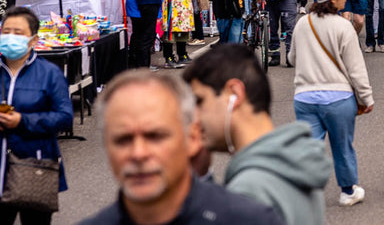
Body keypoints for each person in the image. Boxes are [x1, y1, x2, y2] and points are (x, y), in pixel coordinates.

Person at [83, 70, 282, 225]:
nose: (139, 153)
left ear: (193, 138)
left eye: (155, 137)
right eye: (123, 140)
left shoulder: (251, 220)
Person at [183, 44, 332, 223]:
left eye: (200, 101)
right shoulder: (294, 160)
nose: (195, 118)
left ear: (235, 94)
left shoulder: (250, 189)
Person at [288, 0, 375, 207]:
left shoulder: (302, 23)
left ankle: (303, 191)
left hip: (304, 96)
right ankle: (348, 191)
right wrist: (366, 98)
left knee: (310, 147)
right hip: (338, 97)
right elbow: (356, 68)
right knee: (342, 146)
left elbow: (292, 57)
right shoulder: (343, 26)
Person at [0, 8, 73, 225]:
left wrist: (22, 121)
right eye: (6, 31)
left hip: (34, 165)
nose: (11, 37)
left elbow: (64, 117)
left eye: (18, 33)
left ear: (33, 40)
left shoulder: (49, 74)